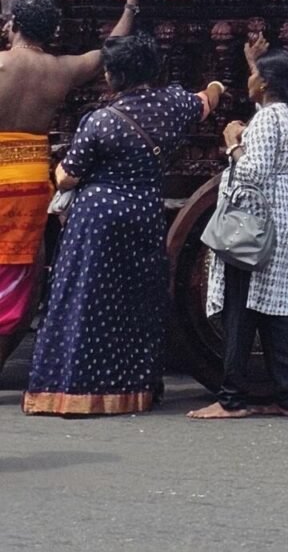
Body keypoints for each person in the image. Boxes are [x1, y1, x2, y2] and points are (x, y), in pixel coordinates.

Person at [23, 34, 223, 416]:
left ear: (115, 76)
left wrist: (59, 169)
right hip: (144, 213)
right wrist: (216, 84)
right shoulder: (174, 105)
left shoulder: (100, 120)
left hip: (97, 219)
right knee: (135, 301)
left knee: (86, 299)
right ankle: (130, 389)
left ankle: (75, 390)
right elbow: (207, 100)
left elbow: (67, 177)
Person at [0, 0, 138, 364]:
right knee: (21, 272)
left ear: (14, 25)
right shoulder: (60, 70)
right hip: (30, 184)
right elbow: (109, 51)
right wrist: (130, 5)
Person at [189, 43, 288, 421]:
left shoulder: (270, 117)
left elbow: (252, 171)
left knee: (239, 307)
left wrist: (232, 144)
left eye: (254, 73)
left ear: (266, 83)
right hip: (281, 216)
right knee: (274, 309)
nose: (249, 79)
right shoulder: (283, 114)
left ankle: (231, 399)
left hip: (255, 222)